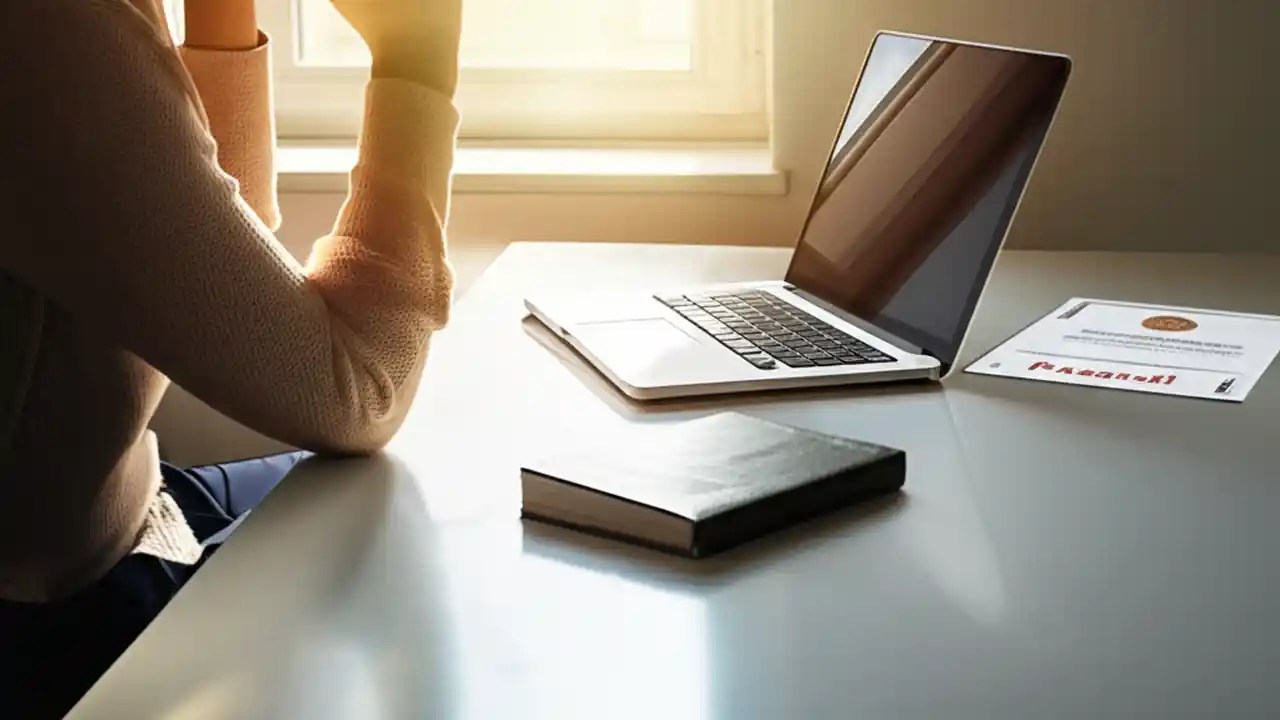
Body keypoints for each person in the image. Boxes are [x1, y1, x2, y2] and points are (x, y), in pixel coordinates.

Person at [0, 0, 462, 715]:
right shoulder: (51, 29)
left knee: (442, 501)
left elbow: (205, 284)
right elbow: (358, 388)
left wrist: (222, 12)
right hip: (56, 623)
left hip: (141, 516)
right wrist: (420, 56)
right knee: (437, 555)